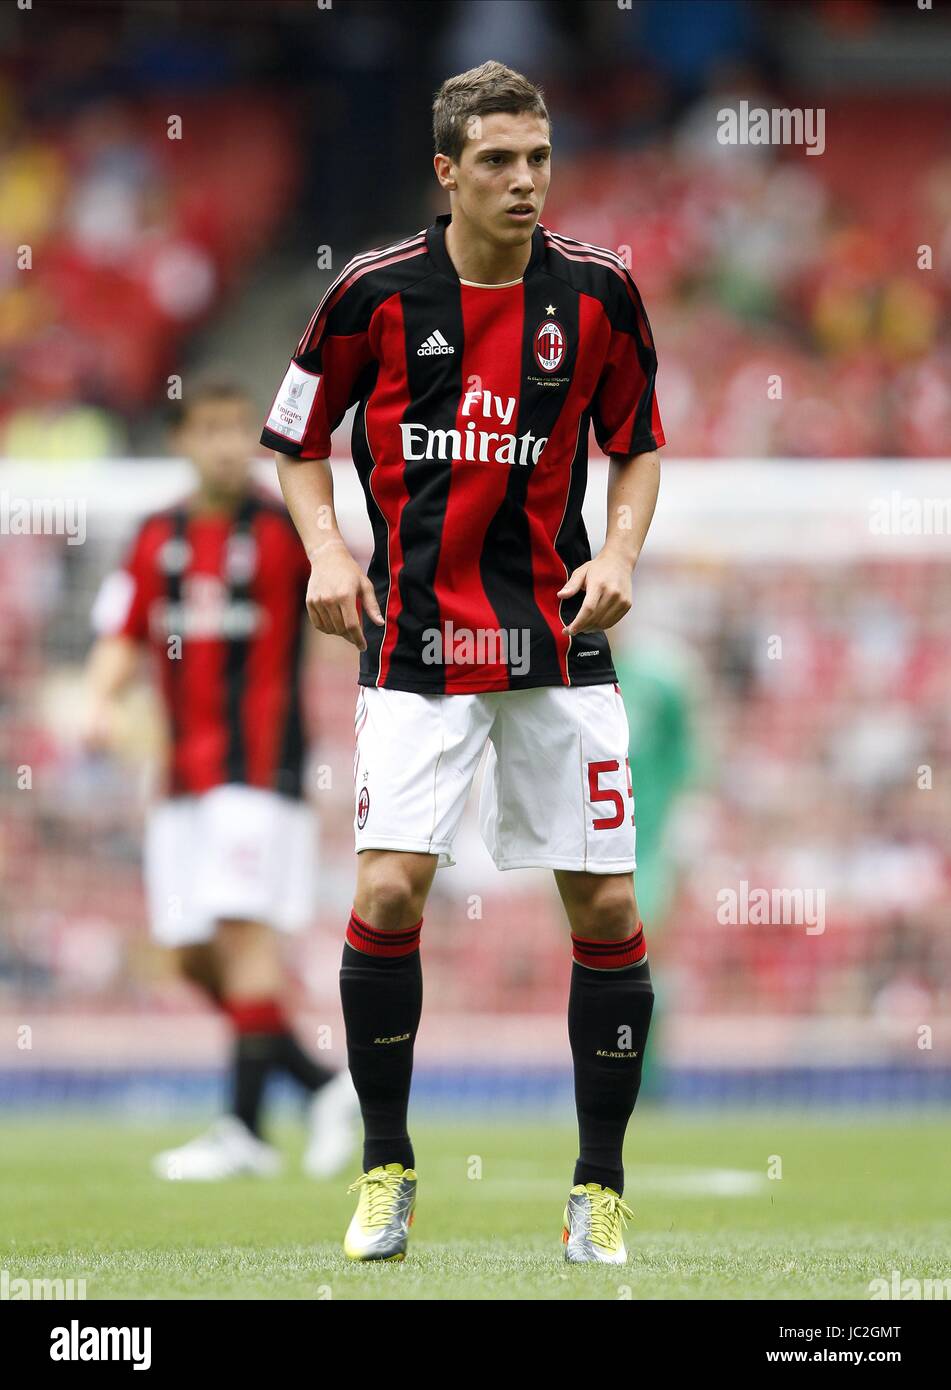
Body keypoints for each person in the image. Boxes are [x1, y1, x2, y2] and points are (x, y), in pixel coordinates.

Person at [263, 61, 664, 1264]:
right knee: (388, 893)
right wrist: (329, 553)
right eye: (498, 159)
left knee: (605, 903)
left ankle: (599, 1187)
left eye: (538, 157)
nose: (525, 180)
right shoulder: (371, 294)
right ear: (446, 171)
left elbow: (638, 445)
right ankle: (385, 1167)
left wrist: (625, 553)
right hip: (416, 643)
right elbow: (297, 437)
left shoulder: (599, 294)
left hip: (559, 639)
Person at [85, 374, 357, 1181]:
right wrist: (101, 701)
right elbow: (119, 633)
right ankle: (321, 1086)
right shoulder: (152, 539)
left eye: (239, 429)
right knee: (190, 954)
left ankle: (242, 1129)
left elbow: (346, 617)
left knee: (244, 938)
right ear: (181, 441)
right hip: (181, 782)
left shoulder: (285, 536)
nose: (228, 444)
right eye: (209, 429)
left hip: (260, 773)